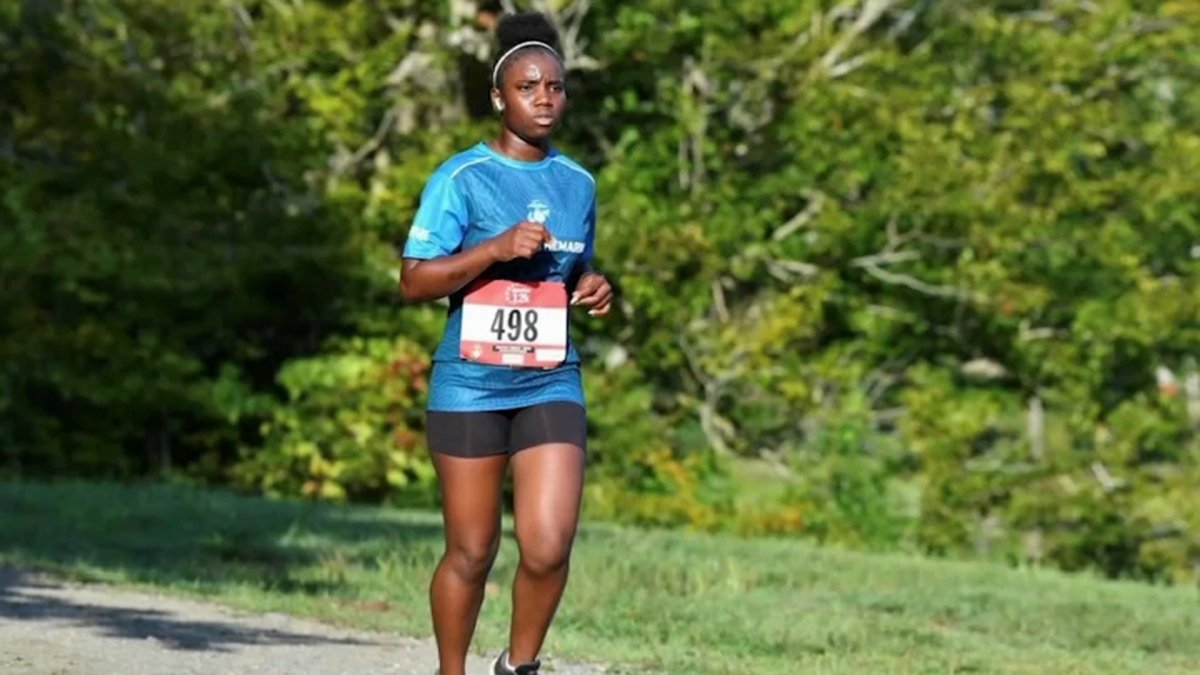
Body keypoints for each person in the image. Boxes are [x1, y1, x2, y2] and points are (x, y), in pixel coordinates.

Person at [398, 11, 613, 675]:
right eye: (528, 87)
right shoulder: (461, 178)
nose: (544, 97)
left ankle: (519, 666)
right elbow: (413, 281)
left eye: (555, 86)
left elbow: (571, 265)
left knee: (548, 546)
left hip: (550, 374)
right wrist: (492, 249)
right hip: (470, 380)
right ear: (499, 97)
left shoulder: (578, 183)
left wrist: (594, 282)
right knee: (472, 548)